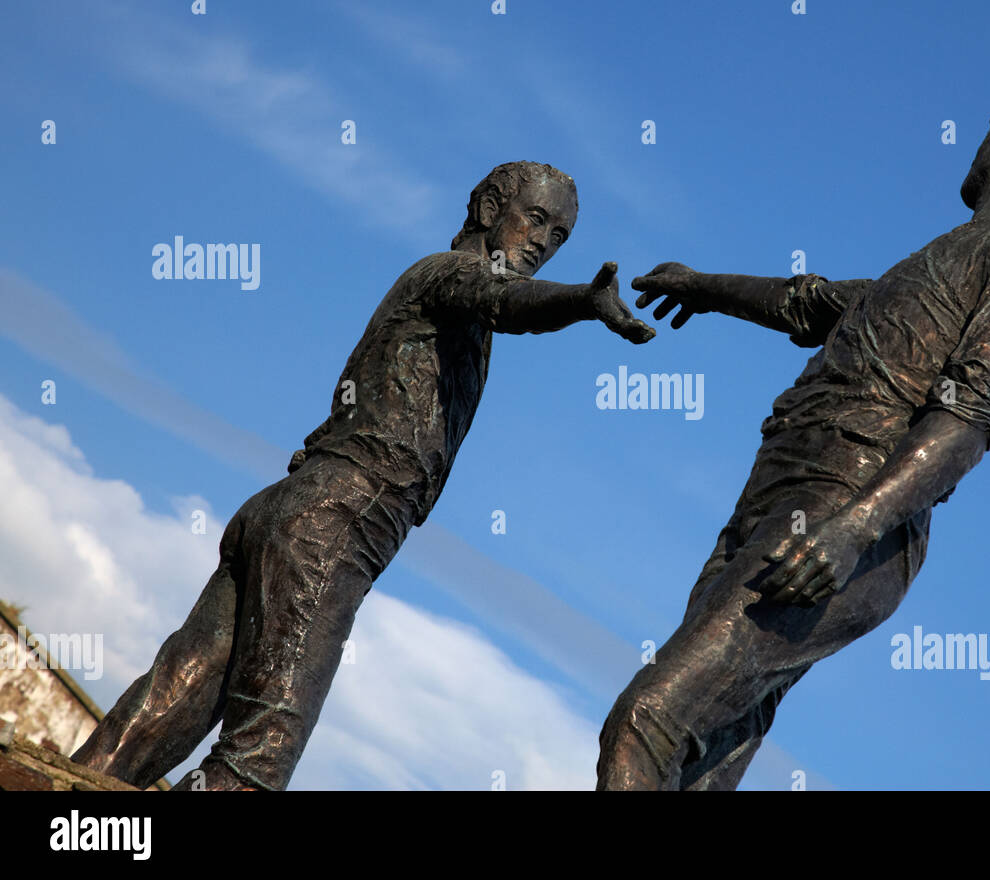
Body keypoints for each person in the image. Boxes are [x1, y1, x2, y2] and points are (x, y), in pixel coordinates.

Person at [597, 78, 990, 790]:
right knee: (701, 764)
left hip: (841, 517)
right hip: (779, 505)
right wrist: (703, 285)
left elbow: (968, 417)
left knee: (646, 721)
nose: (979, 136)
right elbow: (811, 303)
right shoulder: (953, 253)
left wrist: (852, 529)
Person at [73, 161, 654, 791]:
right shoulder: (452, 274)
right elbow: (507, 300)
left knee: (171, 697)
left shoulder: (449, 296)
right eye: (535, 220)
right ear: (489, 209)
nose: (544, 243)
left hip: (293, 506)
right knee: (255, 763)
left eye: (560, 236)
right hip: (336, 520)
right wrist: (582, 301)